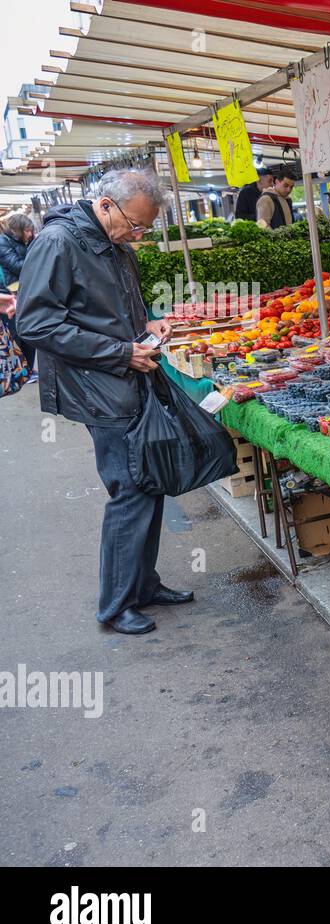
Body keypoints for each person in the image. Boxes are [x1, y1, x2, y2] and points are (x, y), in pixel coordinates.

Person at [15, 168, 193, 636]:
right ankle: (115, 606)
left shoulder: (113, 242)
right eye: (134, 225)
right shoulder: (58, 243)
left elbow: (115, 308)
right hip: (97, 386)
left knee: (148, 482)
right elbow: (34, 325)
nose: (137, 235)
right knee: (130, 488)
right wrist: (119, 351)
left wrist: (147, 326)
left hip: (121, 376)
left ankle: (142, 584)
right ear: (106, 205)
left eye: (144, 229)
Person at [0, 213, 37, 376]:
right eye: (27, 231)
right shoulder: (3, 242)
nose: (30, 234)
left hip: (22, 292)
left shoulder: (24, 242)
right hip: (9, 293)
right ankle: (21, 370)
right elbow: (17, 266)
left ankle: (28, 369)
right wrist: (36, 254)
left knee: (29, 331)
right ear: (17, 229)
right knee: (16, 334)